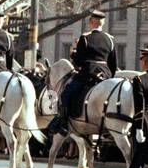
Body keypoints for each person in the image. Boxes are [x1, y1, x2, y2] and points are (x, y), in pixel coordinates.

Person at [42, 11, 117, 141]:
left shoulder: (85, 38)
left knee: (66, 94)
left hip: (88, 73)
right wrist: (109, 77)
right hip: (105, 74)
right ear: (102, 23)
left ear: (91, 22)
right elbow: (113, 63)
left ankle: (63, 123)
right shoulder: (110, 39)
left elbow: (79, 61)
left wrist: (73, 54)